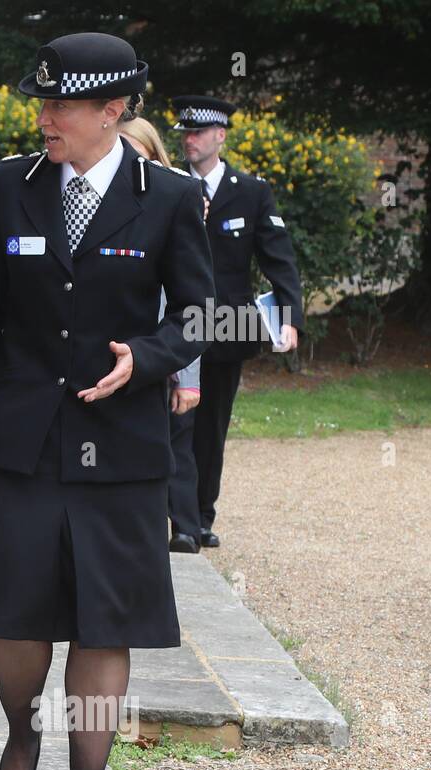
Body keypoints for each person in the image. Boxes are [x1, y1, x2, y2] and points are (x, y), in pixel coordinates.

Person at [0, 33, 214, 770]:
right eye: (41, 104)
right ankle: (23, 730)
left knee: (104, 622)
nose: (45, 118)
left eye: (62, 105)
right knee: (13, 610)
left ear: (113, 111)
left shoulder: (166, 195)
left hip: (121, 445)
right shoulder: (13, 184)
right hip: (21, 438)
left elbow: (199, 315)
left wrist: (149, 359)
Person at [171, 95, 304, 548]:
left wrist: (290, 317)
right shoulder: (168, 186)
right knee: (176, 424)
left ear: (220, 136)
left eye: (199, 132)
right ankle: (180, 522)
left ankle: (201, 516)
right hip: (177, 324)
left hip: (228, 329)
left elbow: (278, 258)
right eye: (185, 133)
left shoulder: (250, 192)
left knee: (211, 428)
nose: (190, 140)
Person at [118, 115, 207, 554]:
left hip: (165, 353)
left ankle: (186, 525)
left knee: (178, 442)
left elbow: (189, 306)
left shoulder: (173, 201)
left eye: (136, 152)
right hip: (119, 359)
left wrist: (188, 378)